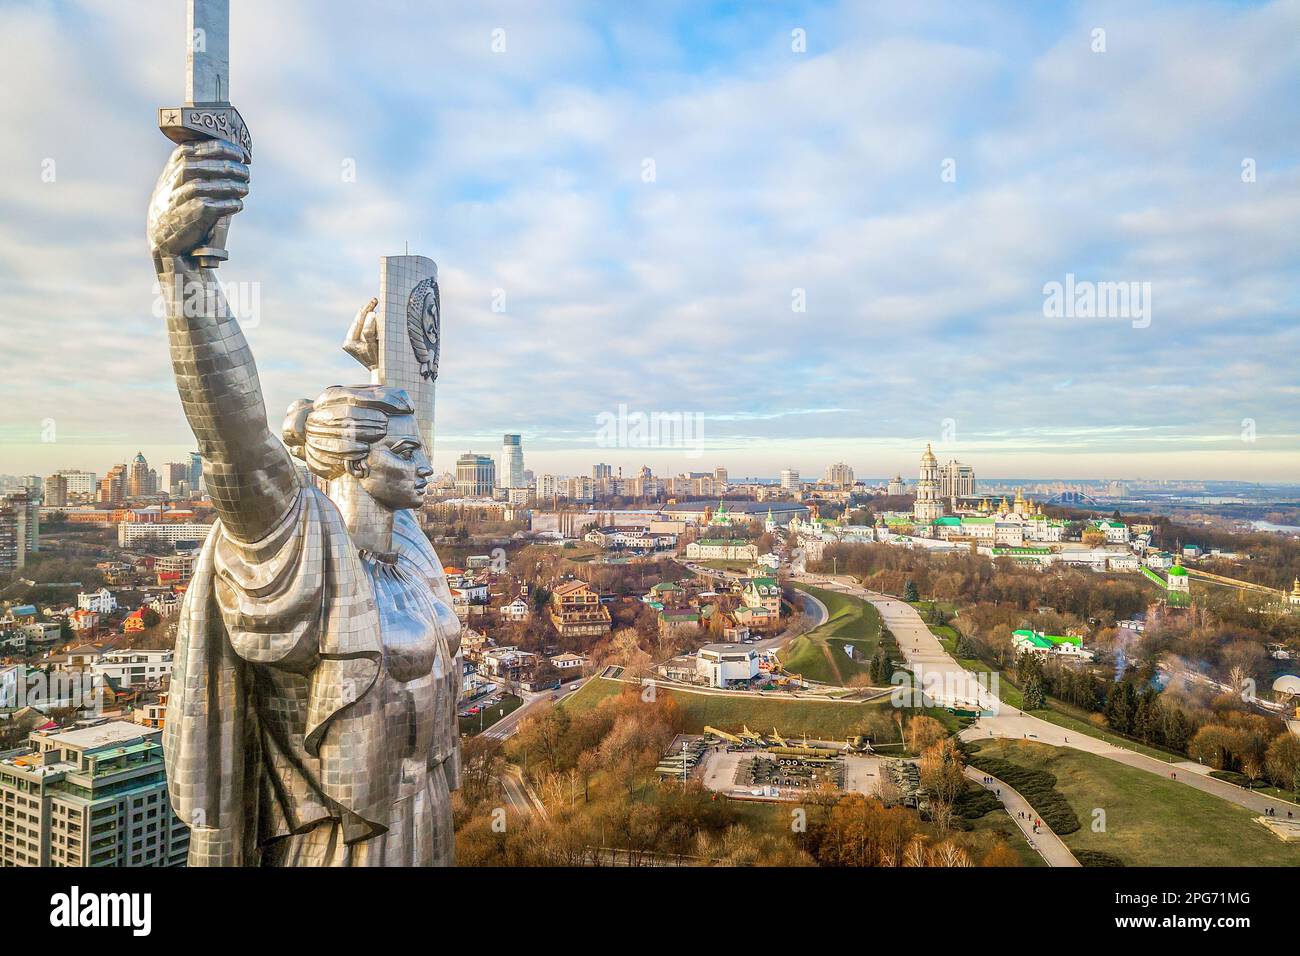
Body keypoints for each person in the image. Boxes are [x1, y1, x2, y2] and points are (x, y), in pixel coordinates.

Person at [149, 139, 461, 867]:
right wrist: (180, 272)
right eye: (406, 454)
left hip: (427, 827)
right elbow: (235, 437)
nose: (428, 466)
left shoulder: (408, 547)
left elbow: (404, 418)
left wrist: (392, 357)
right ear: (352, 461)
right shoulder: (305, 554)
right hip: (338, 844)